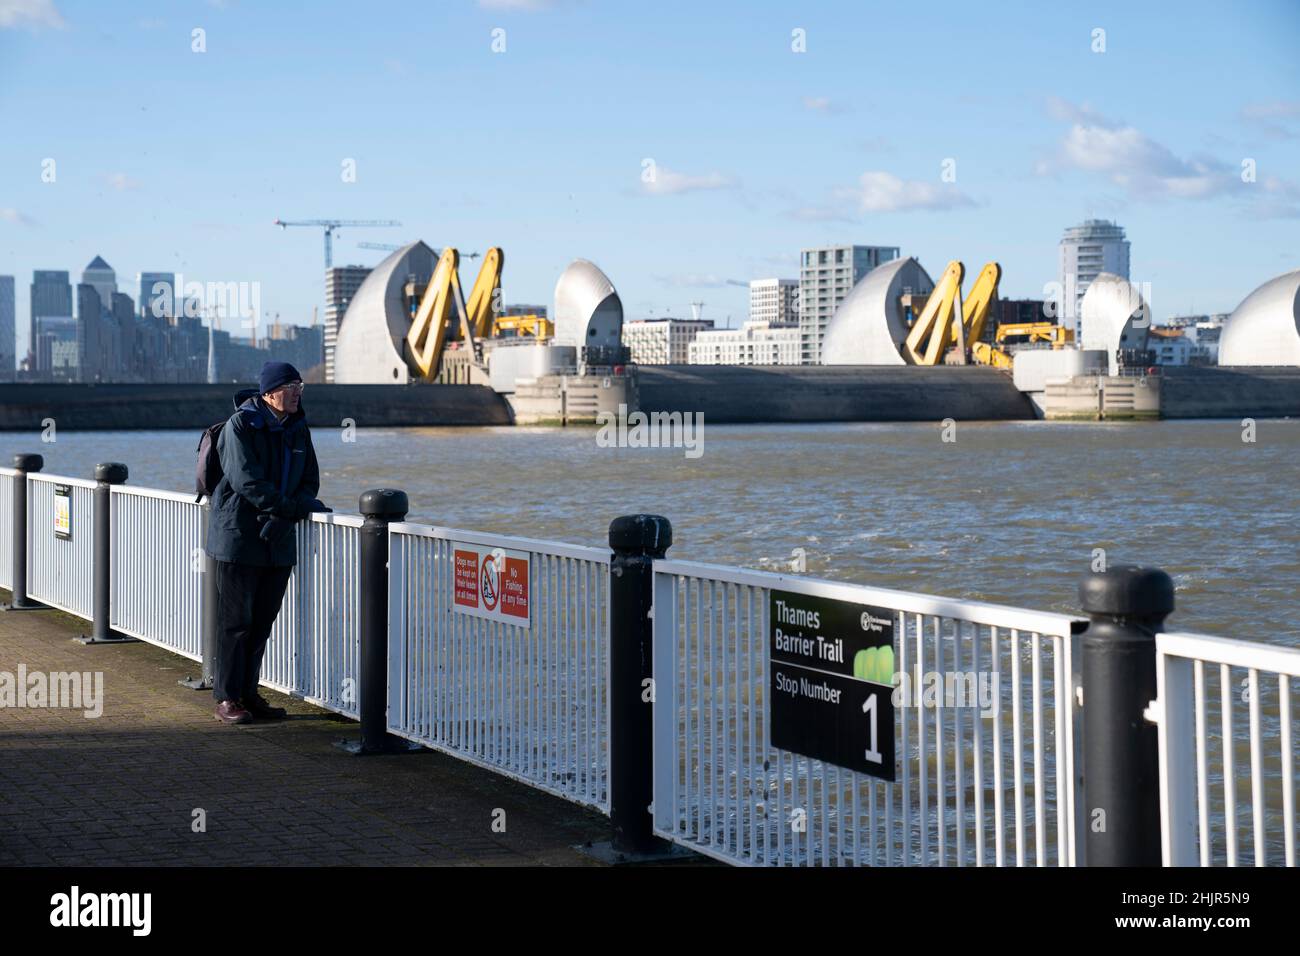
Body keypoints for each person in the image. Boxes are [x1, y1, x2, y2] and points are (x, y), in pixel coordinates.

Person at [205, 361, 330, 725]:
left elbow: (310, 480)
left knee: (262, 622)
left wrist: (285, 514)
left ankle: (249, 693)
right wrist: (288, 510)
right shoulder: (240, 425)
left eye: (300, 387)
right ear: (270, 392)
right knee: (235, 623)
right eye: (290, 386)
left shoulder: (298, 429)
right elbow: (247, 481)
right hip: (239, 538)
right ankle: (227, 698)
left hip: (277, 541)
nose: (296, 393)